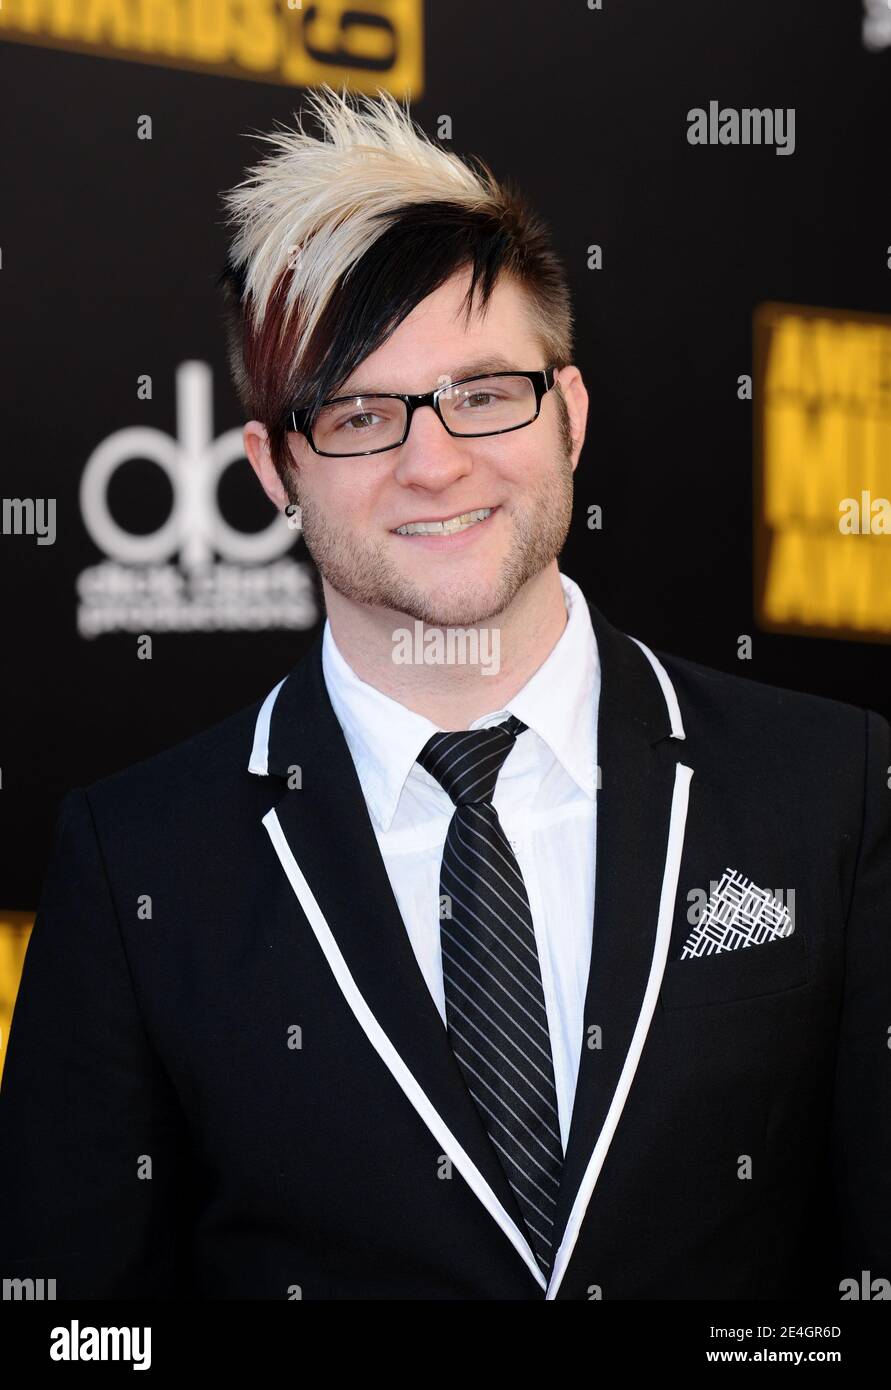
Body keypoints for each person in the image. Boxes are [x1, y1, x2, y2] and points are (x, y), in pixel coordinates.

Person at [1, 85, 888, 1301]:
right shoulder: (134, 864)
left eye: (481, 392)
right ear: (274, 467)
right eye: (361, 411)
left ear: (568, 416)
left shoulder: (829, 785)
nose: (435, 459)